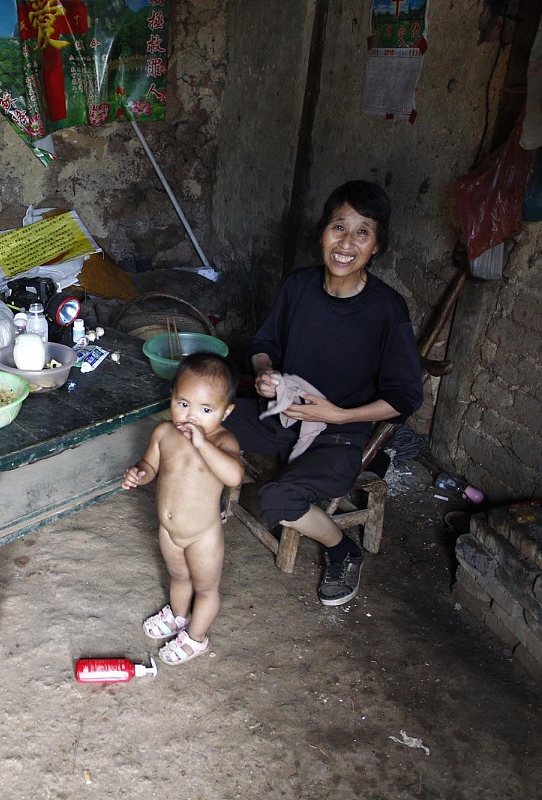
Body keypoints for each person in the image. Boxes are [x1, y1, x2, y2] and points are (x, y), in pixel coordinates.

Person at [224, 180, 423, 607]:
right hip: (281, 415)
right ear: (322, 233)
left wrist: (340, 416)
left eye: (362, 232)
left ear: (376, 247)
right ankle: (207, 499)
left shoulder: (387, 309)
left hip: (339, 434)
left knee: (280, 497)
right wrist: (264, 373)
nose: (346, 242)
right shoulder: (299, 286)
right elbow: (266, 344)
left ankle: (342, 549)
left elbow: (405, 396)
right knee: (200, 417)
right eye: (338, 227)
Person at [122, 354, 244, 665]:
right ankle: (178, 617)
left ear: (226, 412)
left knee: (205, 589)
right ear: (172, 397)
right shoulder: (164, 432)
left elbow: (234, 476)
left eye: (206, 410)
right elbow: (151, 465)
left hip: (203, 536)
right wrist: (139, 473)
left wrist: (204, 445)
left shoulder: (223, 441)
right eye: (183, 403)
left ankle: (196, 638)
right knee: (178, 576)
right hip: (169, 531)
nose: (191, 416)